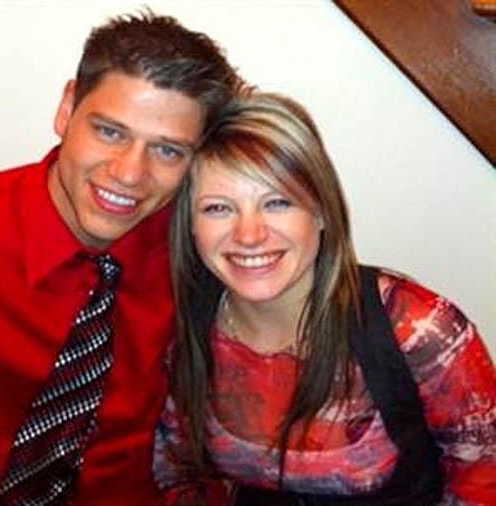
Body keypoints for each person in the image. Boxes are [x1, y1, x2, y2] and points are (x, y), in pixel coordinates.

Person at [0, 10, 243, 505]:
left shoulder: (203, 254)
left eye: (168, 151)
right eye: (110, 132)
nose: (129, 173)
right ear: (67, 109)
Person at [153, 91, 496, 505]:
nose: (249, 234)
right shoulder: (180, 325)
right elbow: (174, 469)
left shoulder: (418, 328)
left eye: (277, 202)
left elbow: (484, 478)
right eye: (218, 209)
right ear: (189, 224)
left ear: (319, 210)